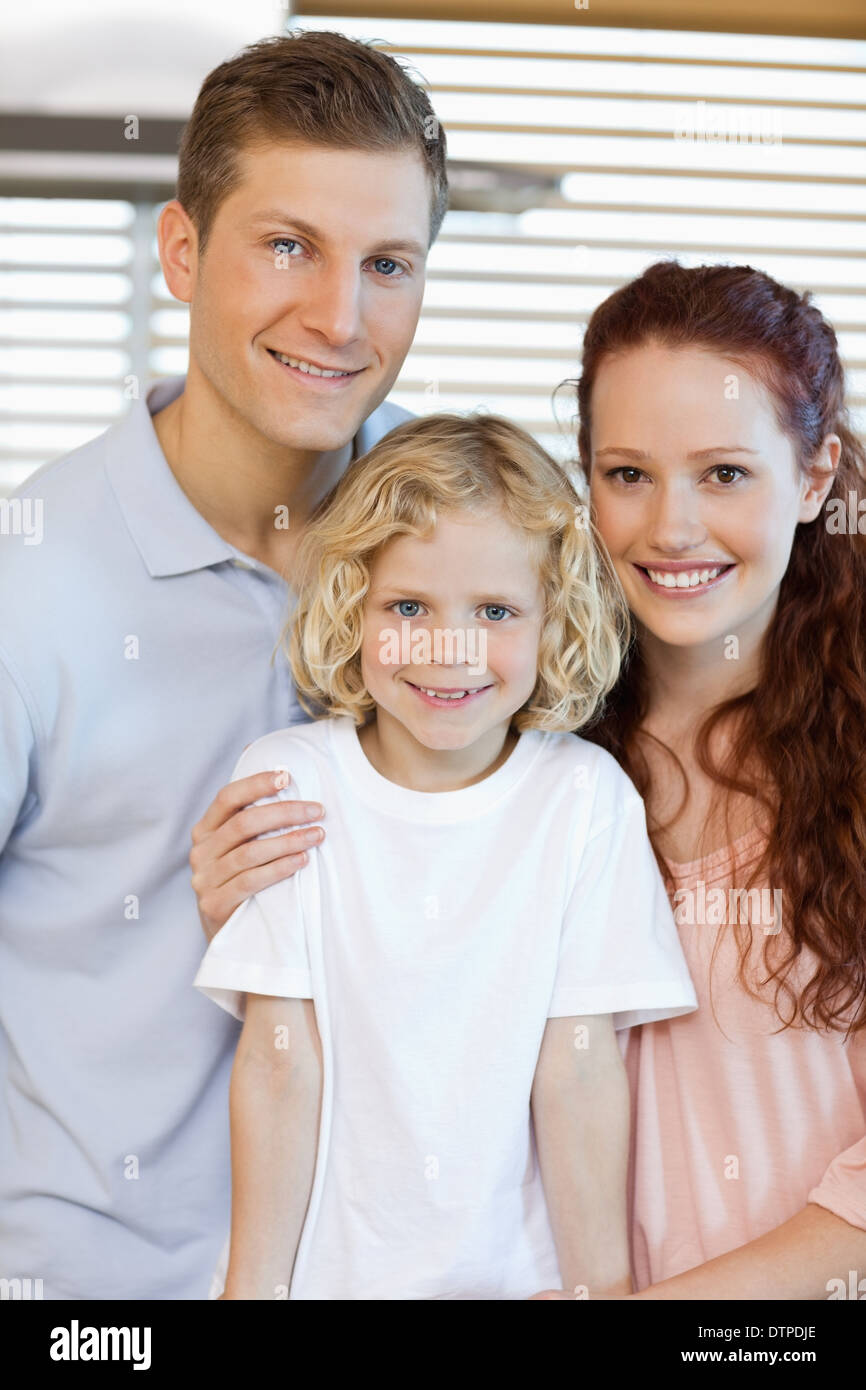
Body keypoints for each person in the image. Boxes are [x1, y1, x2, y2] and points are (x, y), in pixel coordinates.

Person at [0, 30, 446, 1299]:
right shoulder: (26, 590)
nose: (339, 318)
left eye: (388, 264)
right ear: (183, 251)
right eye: (288, 246)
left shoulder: (469, 542)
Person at [192, 412, 698, 1300]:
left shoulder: (583, 800)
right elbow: (280, 1060)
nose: (449, 648)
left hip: (522, 1282)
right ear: (354, 605)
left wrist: (604, 1292)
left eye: (496, 611)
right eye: (409, 607)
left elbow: (578, 1066)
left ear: (555, 623)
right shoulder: (289, 780)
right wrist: (251, 1290)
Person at [537, 259, 866, 1297]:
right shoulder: (530, 746)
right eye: (626, 474)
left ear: (811, 478)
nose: (668, 528)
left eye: (721, 473)